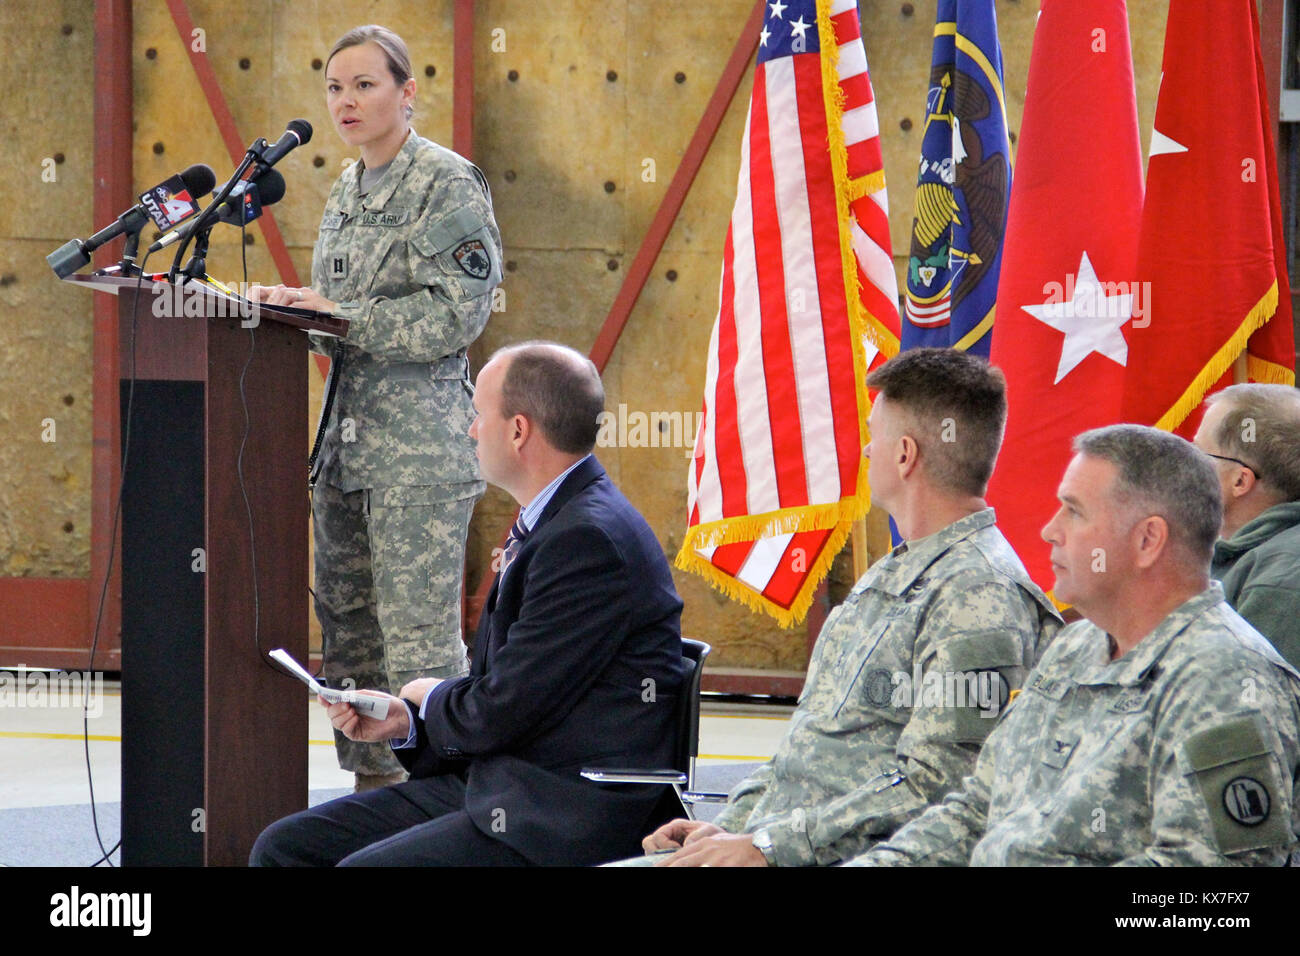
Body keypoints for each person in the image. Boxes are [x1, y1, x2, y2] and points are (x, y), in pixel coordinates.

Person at [620, 348, 1061, 867]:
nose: (867, 451)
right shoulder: (897, 570)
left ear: (904, 455)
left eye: (874, 435)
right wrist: (729, 828)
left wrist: (765, 846)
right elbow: (814, 743)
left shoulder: (977, 596)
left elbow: (938, 792)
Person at [250, 341, 686, 866]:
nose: (471, 428)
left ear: (519, 430)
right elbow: (516, 692)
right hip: (507, 781)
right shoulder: (562, 519)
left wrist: (430, 699)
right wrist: (406, 722)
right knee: (285, 849)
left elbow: (505, 707)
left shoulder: (587, 541)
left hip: (561, 806)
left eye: (479, 414)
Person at [849, 425, 1300, 867]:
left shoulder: (1226, 681)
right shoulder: (1076, 647)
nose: (1049, 531)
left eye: (1075, 511)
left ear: (1147, 540)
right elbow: (977, 809)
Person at [252, 25, 503, 789]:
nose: (346, 102)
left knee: (420, 648)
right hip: (344, 457)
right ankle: (370, 800)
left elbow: (461, 313)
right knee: (351, 645)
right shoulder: (346, 190)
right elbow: (342, 322)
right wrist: (295, 312)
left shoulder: (444, 183)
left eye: (364, 84)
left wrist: (342, 315)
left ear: (407, 91)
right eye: (334, 87)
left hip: (416, 460)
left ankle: (441, 809)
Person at [1192, 384, 1300, 667]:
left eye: (1198, 454)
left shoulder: (1282, 581)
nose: (1186, 466)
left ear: (1240, 481)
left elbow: (1249, 702)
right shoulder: (1228, 549)